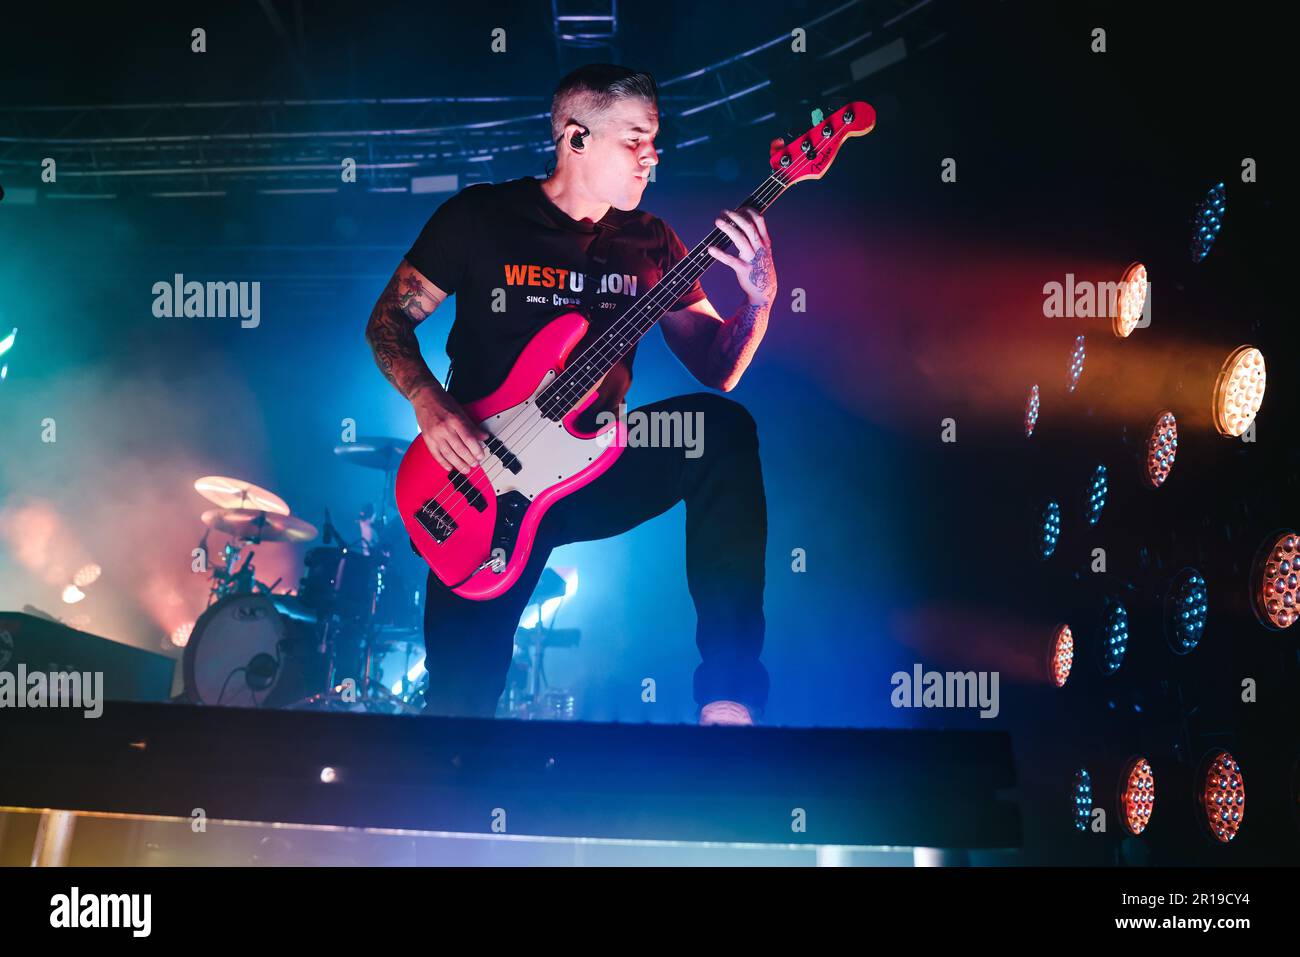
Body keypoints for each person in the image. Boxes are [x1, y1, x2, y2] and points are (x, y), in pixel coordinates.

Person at [364, 63, 777, 725]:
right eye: (635, 139)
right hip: (481, 482)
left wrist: (758, 301)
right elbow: (387, 322)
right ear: (576, 138)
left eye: (655, 140)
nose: (652, 155)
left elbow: (716, 367)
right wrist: (426, 400)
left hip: (593, 464)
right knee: (458, 711)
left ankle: (727, 699)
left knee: (720, 427)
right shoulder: (480, 218)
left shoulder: (652, 243)